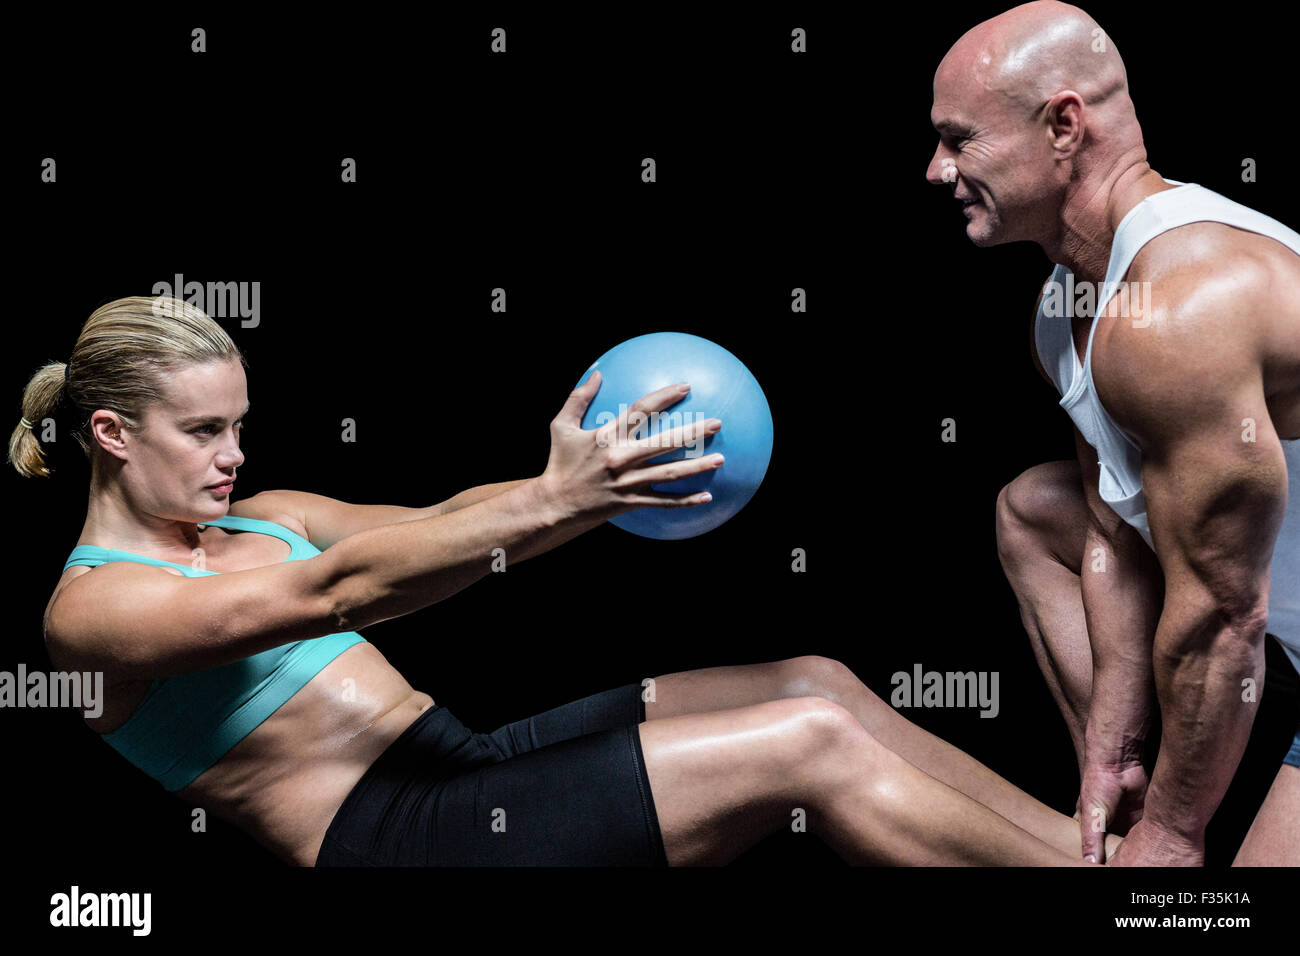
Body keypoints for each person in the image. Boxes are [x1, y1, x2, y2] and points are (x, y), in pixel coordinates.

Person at [14, 295, 1120, 866]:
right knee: (806, 746)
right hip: (392, 841)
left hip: (459, 763)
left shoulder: (270, 514)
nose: (233, 455)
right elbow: (335, 594)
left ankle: (1095, 850)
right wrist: (556, 500)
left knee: (815, 680)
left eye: (240, 425)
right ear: (109, 433)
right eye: (204, 430)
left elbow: (450, 530)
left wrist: (590, 482)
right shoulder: (94, 611)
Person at [926, 1, 1300, 864]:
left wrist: (1173, 831)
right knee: (1034, 509)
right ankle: (1159, 782)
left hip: (1250, 617)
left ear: (1064, 125)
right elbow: (1112, 532)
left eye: (958, 139)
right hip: (1266, 611)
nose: (935, 170)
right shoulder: (1065, 310)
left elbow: (1223, 615)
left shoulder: (1178, 309)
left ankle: (1186, 809)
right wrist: (1116, 747)